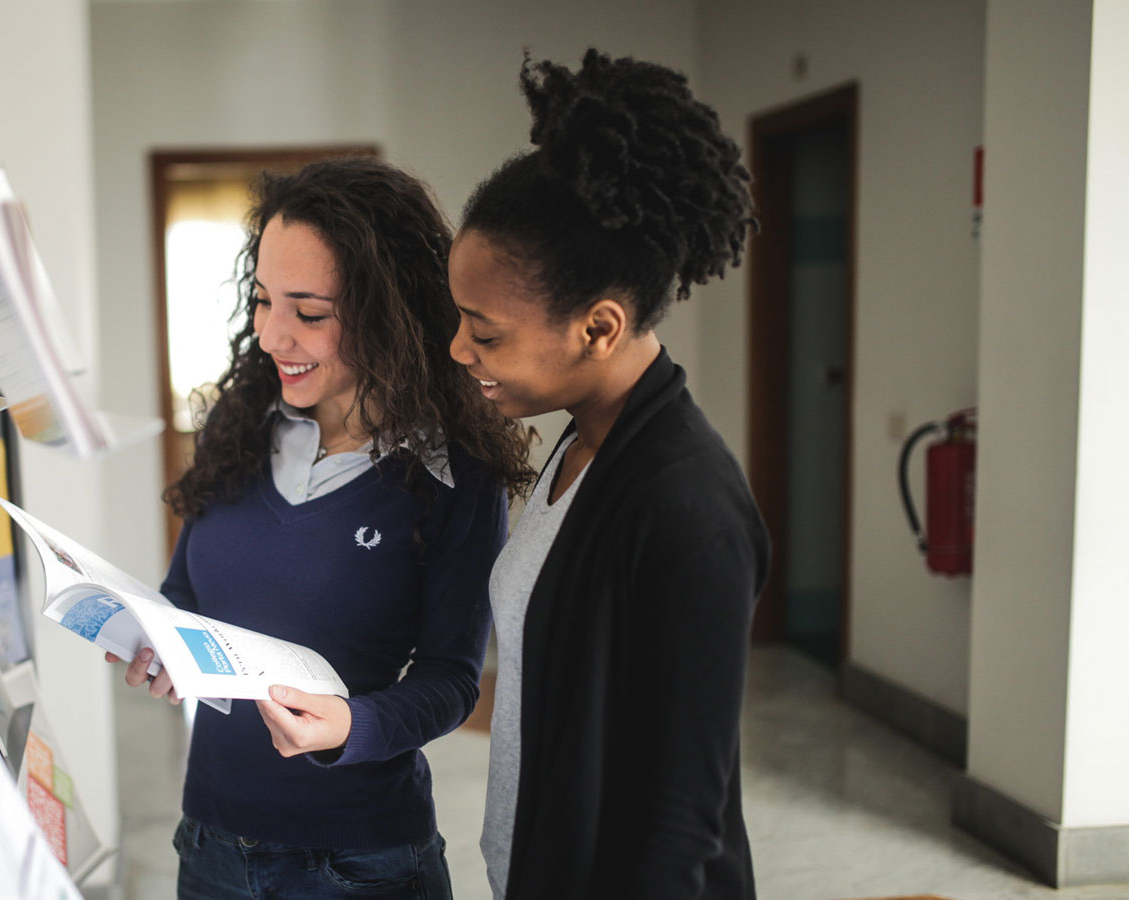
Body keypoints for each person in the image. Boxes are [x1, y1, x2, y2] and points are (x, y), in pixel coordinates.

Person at [109, 158, 533, 899]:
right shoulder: (236, 428)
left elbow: (451, 680)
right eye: (263, 300)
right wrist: (162, 640)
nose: (273, 336)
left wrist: (348, 726)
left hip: (360, 862)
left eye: (309, 313)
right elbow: (186, 590)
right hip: (210, 845)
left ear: (390, 311)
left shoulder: (453, 475)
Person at [448, 49, 770, 899]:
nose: (459, 351)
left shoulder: (688, 508)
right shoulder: (582, 441)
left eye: (485, 334)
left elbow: (679, 826)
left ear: (597, 328)